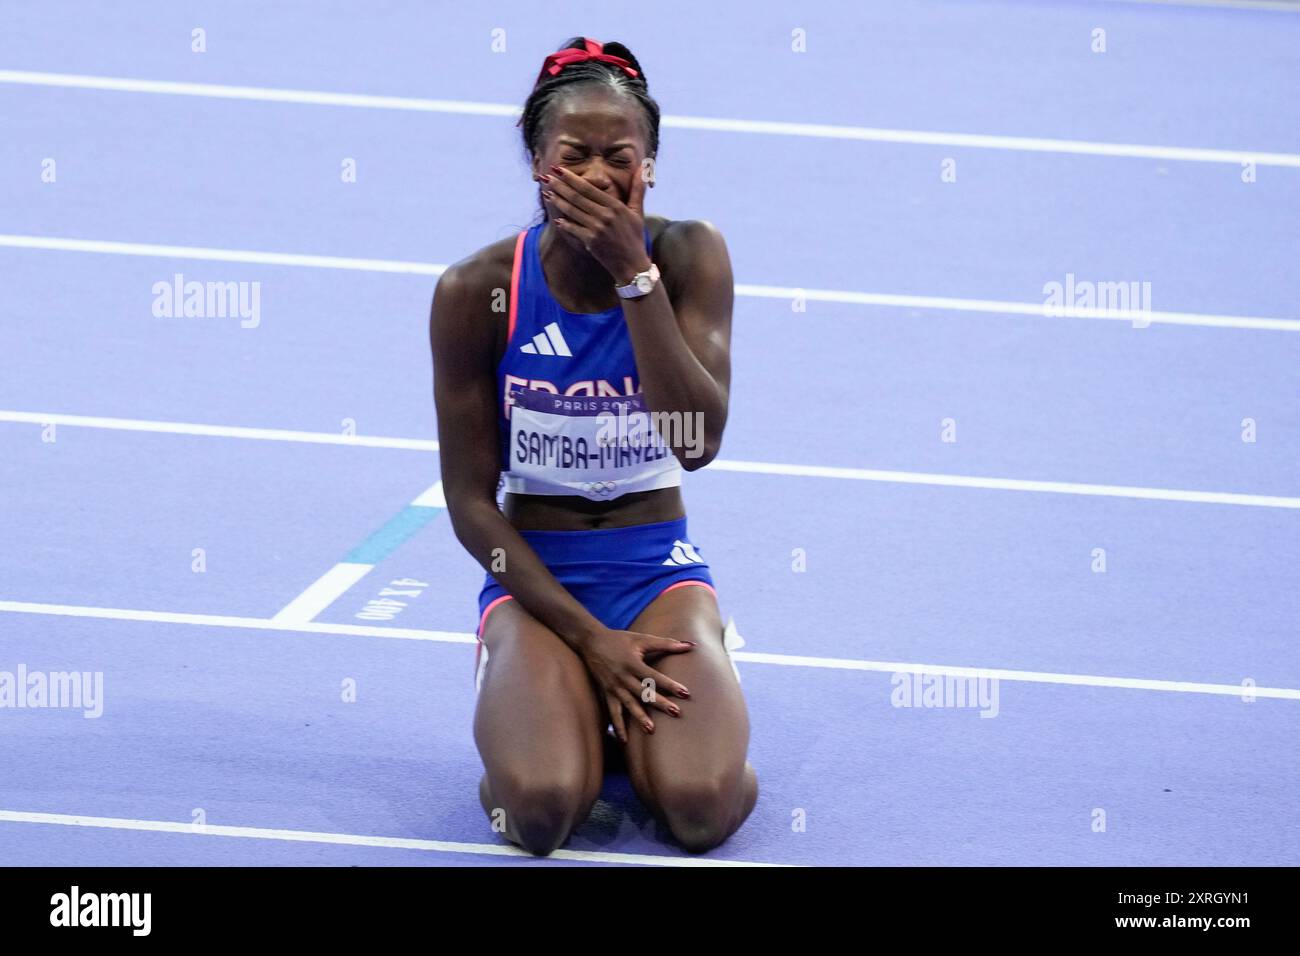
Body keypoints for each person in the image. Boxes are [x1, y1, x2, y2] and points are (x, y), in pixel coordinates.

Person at [428, 36, 757, 855]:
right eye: (574, 156)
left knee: (700, 809)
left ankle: (671, 688)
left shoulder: (688, 257)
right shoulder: (477, 292)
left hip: (656, 571)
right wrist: (587, 639)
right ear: (537, 162)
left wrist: (631, 273)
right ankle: (549, 691)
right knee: (537, 815)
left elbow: (695, 442)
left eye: (621, 157)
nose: (598, 177)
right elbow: (471, 505)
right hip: (537, 578)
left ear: (651, 164)